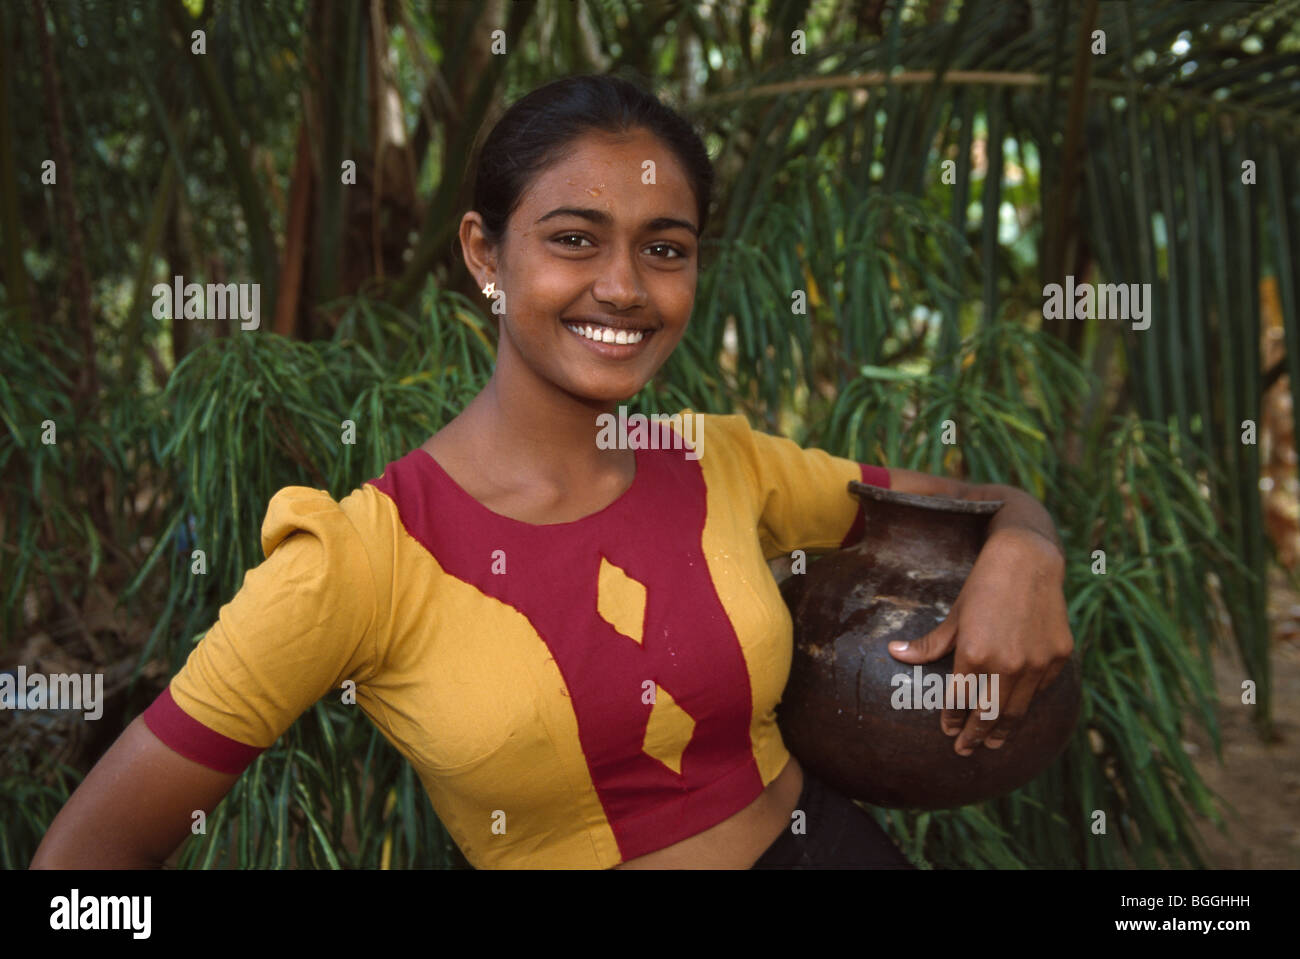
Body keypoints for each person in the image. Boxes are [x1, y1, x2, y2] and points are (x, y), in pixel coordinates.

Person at [31, 73, 1073, 870]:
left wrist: (1024, 552)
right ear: (485, 254)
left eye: (665, 249)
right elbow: (82, 865)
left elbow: (987, 503)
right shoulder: (357, 557)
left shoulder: (719, 459)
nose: (622, 287)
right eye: (575, 239)